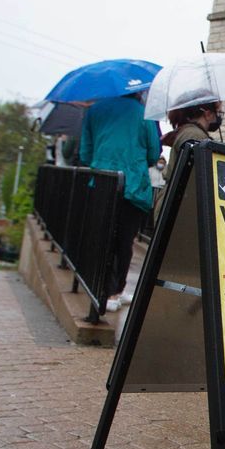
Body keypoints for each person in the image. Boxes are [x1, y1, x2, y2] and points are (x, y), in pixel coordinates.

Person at [80, 92, 161, 311]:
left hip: (101, 183)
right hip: (132, 185)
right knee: (124, 241)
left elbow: (85, 154)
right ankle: (114, 292)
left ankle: (96, 287)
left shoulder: (94, 110)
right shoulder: (145, 113)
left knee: (101, 237)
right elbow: (154, 153)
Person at [155, 93, 225, 220]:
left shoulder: (190, 132)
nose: (219, 117)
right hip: (178, 206)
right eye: (218, 112)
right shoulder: (194, 135)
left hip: (175, 202)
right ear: (208, 114)